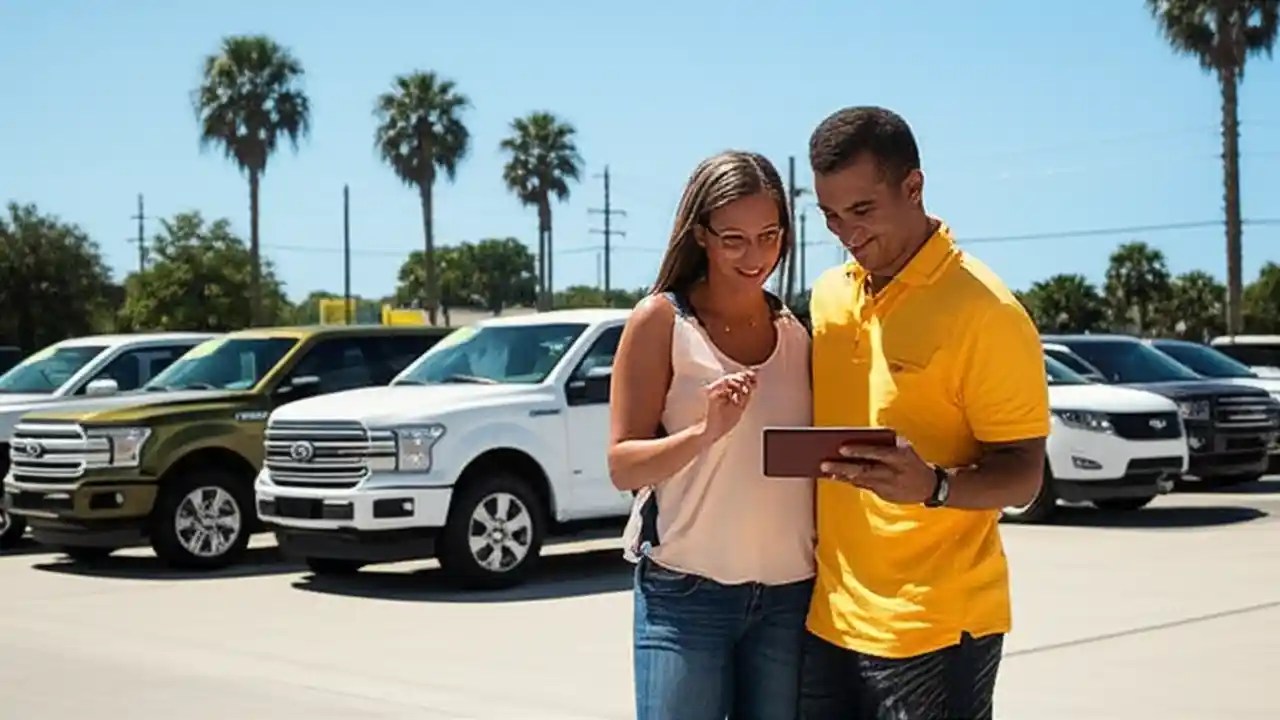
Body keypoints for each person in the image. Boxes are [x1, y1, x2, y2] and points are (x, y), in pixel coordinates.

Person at [797, 106, 1050, 720]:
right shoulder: (830, 295)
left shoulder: (986, 312)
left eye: (862, 211)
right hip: (827, 617)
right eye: (831, 215)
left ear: (914, 187)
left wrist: (934, 485)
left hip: (936, 627)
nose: (846, 232)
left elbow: (1022, 476)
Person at [608, 150, 816, 719]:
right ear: (700, 234)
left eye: (770, 236)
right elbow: (624, 465)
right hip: (685, 598)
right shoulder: (661, 321)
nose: (756, 256)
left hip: (789, 598)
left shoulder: (798, 332)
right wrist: (705, 431)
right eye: (735, 239)